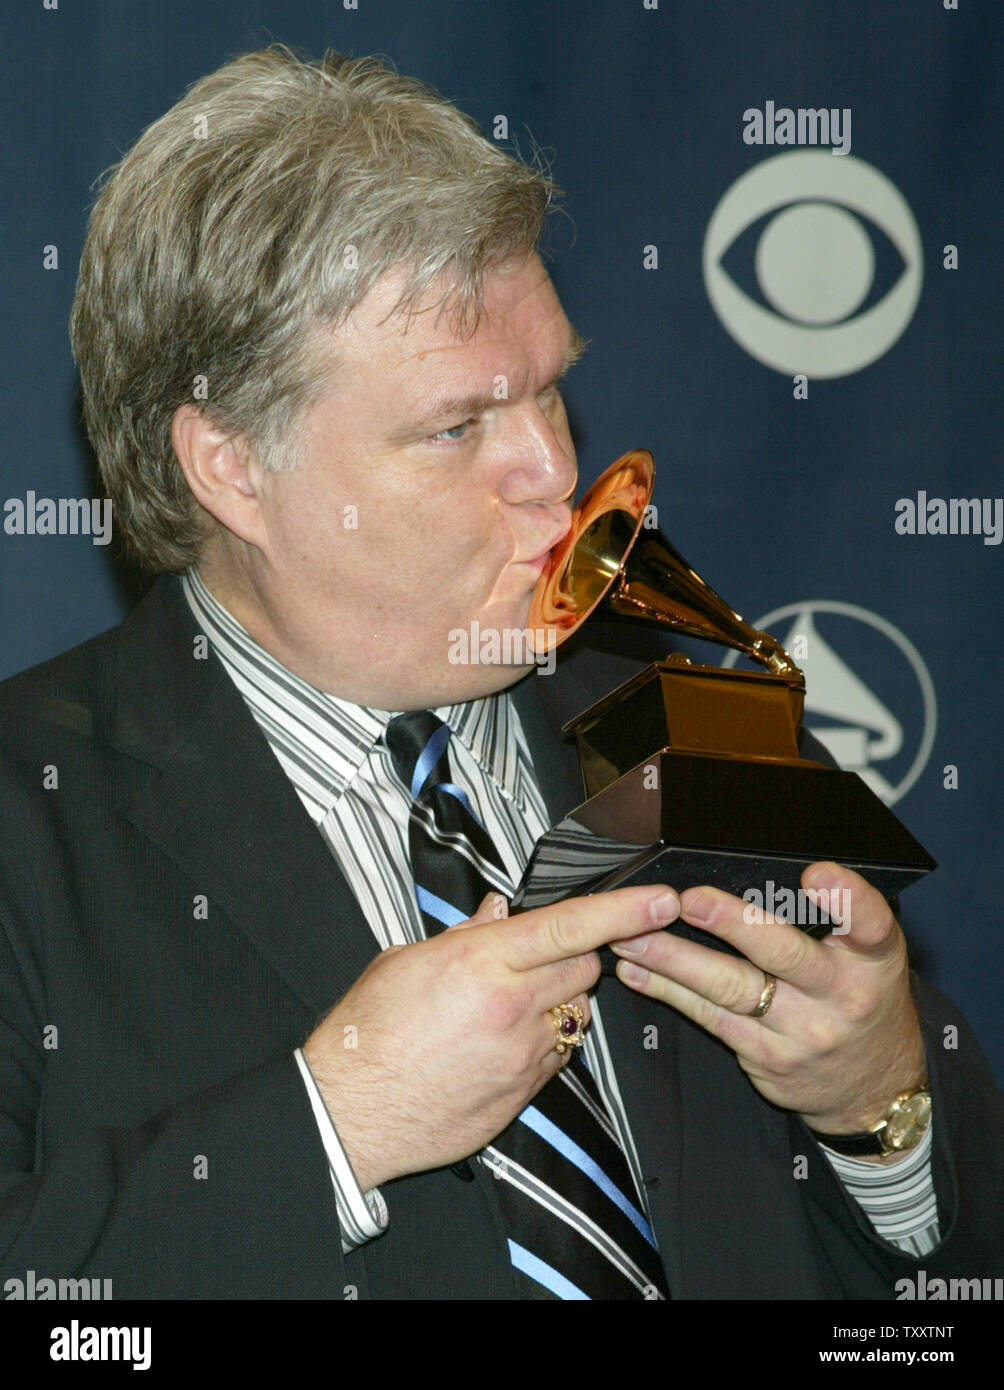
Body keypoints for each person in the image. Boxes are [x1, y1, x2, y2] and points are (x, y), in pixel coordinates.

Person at [1, 45, 999, 1301]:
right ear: (231, 468)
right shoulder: (28, 812)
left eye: (549, 395)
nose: (550, 472)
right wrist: (332, 1127)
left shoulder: (697, 729)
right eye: (457, 426)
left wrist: (880, 1110)